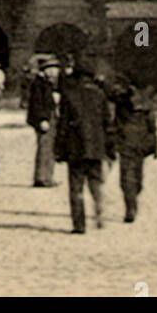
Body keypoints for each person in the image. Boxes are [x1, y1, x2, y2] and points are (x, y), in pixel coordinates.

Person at [54, 55, 115, 234]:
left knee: (76, 188)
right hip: (96, 147)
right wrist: (110, 148)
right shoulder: (99, 95)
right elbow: (107, 123)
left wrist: (59, 149)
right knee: (96, 184)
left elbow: (62, 125)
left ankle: (79, 224)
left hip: (75, 148)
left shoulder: (69, 95)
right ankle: (100, 212)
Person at [112, 81, 157, 223]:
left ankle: (131, 202)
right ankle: (131, 205)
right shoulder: (143, 106)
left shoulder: (123, 104)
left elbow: (151, 127)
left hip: (131, 143)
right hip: (135, 143)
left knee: (129, 177)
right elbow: (152, 127)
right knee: (133, 176)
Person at [27, 55, 61, 187]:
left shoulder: (47, 83)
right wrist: (42, 119)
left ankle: (48, 176)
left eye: (55, 69)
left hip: (50, 117)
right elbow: (37, 103)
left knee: (49, 147)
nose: (54, 72)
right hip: (45, 119)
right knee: (44, 148)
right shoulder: (39, 84)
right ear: (45, 70)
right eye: (51, 69)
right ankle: (42, 177)